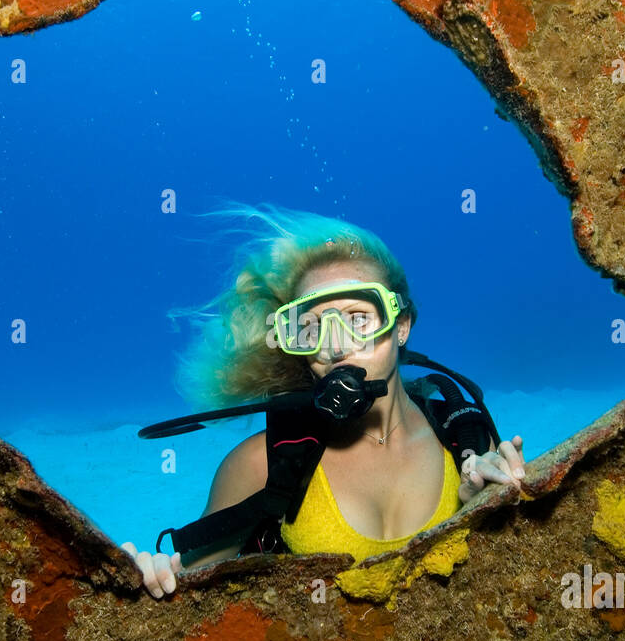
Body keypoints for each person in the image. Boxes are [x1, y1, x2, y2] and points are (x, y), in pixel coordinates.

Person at [121, 205, 524, 598]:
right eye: (310, 328)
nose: (335, 347)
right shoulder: (260, 464)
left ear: (401, 326)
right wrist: (154, 578)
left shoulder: (464, 437)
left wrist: (485, 504)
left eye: (358, 319)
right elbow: (188, 587)